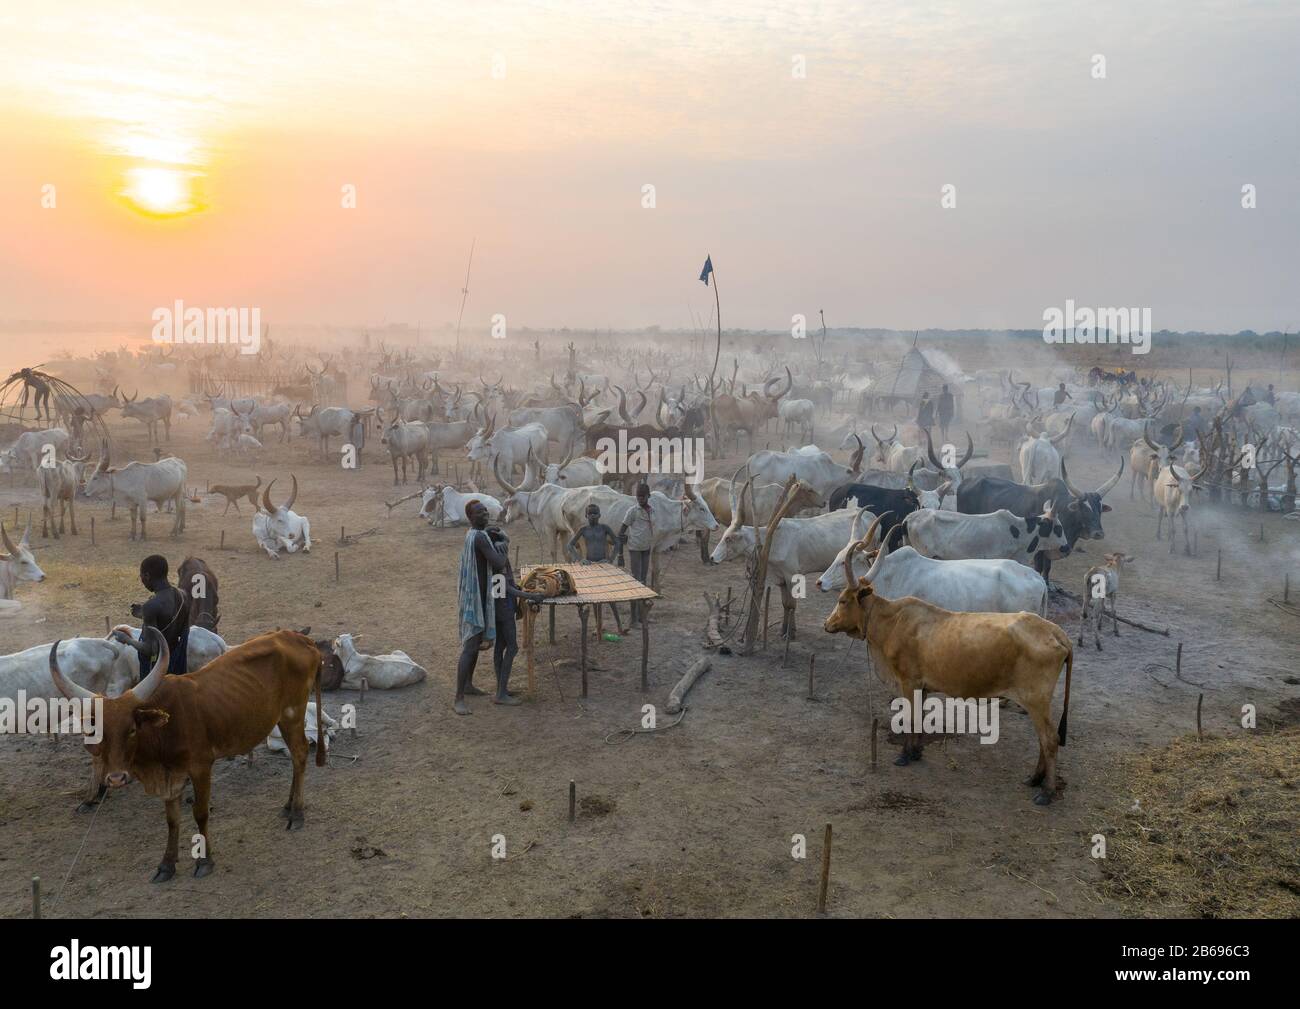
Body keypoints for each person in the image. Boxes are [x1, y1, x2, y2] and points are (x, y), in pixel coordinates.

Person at [455, 499, 507, 715]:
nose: (484, 513)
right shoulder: (480, 538)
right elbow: (498, 563)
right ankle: (458, 698)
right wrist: (503, 545)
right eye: (479, 512)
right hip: (475, 599)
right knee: (470, 647)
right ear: (470, 517)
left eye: (485, 510)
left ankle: (468, 685)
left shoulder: (474, 534)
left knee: (474, 643)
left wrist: (490, 530)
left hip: (473, 595)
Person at [485, 527, 543, 705]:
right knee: (512, 647)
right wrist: (530, 596)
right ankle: (501, 693)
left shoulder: (493, 554)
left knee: (500, 647)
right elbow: (504, 588)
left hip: (499, 607)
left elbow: (503, 585)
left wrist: (518, 587)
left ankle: (501, 689)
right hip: (504, 608)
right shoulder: (499, 556)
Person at [117, 554, 189, 676]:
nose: (142, 581)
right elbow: (169, 621)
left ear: (147, 576)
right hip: (176, 665)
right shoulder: (183, 596)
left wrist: (127, 640)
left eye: (141, 577)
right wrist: (143, 615)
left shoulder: (151, 606)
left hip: (156, 670)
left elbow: (150, 649)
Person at [619, 483, 654, 626]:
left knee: (643, 582)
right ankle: (633, 619)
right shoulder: (632, 511)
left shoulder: (652, 511)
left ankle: (641, 616)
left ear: (648, 496)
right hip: (634, 549)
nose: (640, 499)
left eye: (643, 496)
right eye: (638, 497)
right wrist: (621, 554)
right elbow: (621, 532)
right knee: (636, 582)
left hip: (646, 548)